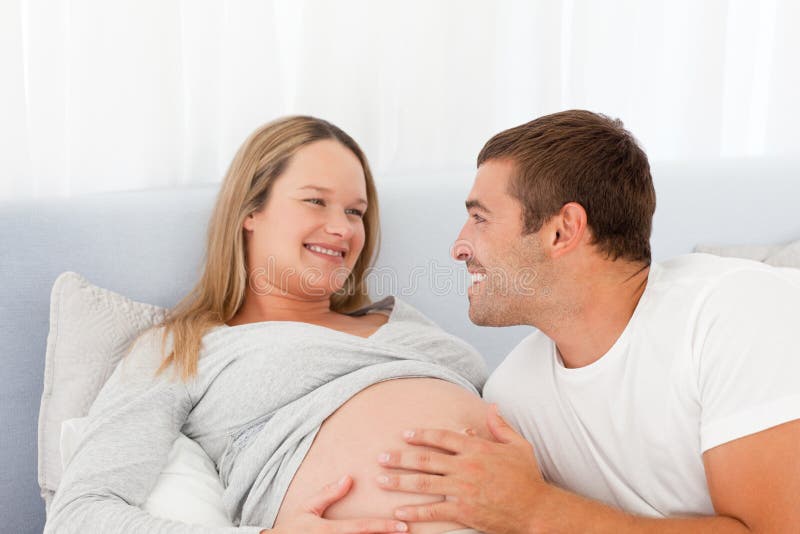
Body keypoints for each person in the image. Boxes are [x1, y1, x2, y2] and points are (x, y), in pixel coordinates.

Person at [45, 116, 491, 534]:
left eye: (355, 212)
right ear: (250, 211)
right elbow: (79, 515)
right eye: (315, 201)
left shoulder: (405, 322)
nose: (342, 228)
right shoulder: (182, 349)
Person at [374, 110, 800, 533]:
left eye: (480, 218)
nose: (458, 247)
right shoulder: (516, 395)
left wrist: (536, 510)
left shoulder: (736, 313)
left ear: (562, 231)